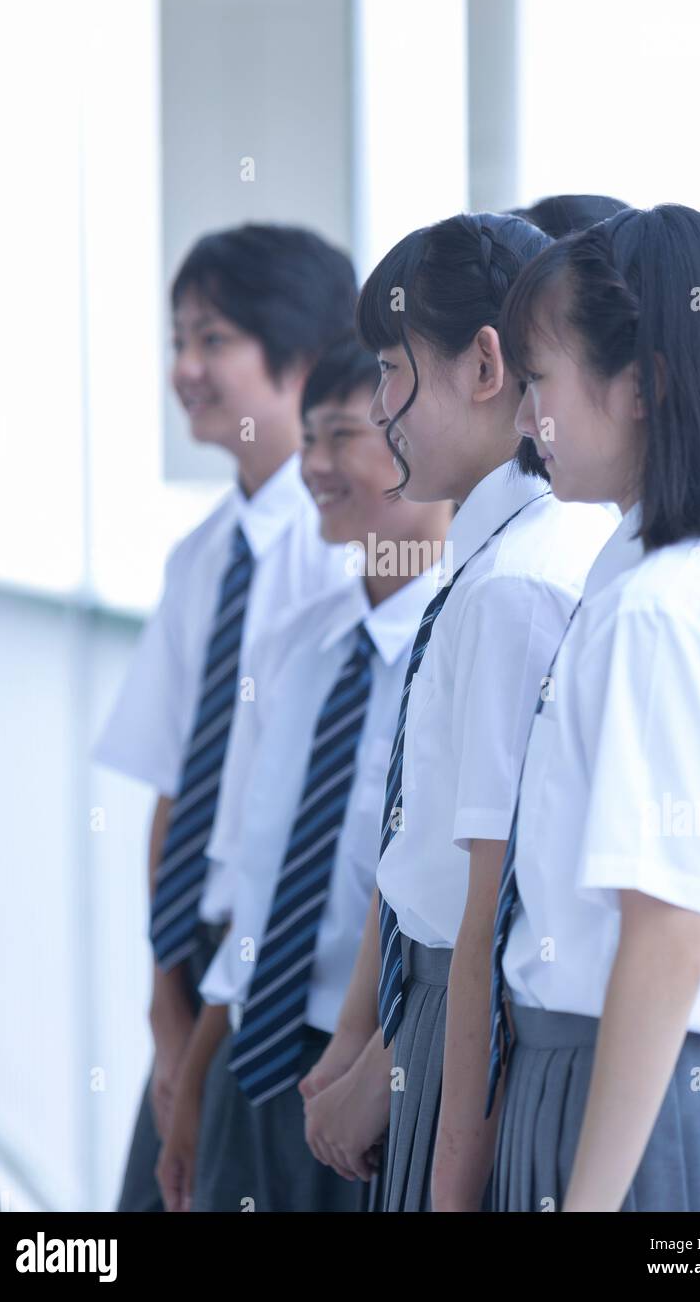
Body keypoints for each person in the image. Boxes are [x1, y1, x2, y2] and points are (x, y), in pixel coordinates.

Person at [488, 203, 700, 1211]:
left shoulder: (655, 612)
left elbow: (665, 935)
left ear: (641, 387)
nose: (522, 419)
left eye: (537, 381)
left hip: (641, 1107)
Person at [301, 212, 616, 1210]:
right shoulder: (503, 562)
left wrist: (439, 1178)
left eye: (392, 370)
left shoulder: (514, 586)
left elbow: (485, 916)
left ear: (485, 365)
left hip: (458, 1014)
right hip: (431, 1003)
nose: (381, 407)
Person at [154, 331, 453, 1211]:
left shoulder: (457, 647)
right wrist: (197, 1077)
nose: (313, 465)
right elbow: (253, 888)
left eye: (340, 437)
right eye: (309, 436)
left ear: (412, 438)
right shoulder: (296, 645)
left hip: (368, 1080)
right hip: (255, 1058)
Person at [93, 223, 356, 1211]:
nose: (183, 369)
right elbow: (174, 785)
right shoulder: (202, 555)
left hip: (297, 985)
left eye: (211, 340)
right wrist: (165, 1009)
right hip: (205, 967)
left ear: (296, 358)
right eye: (177, 341)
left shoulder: (350, 560)